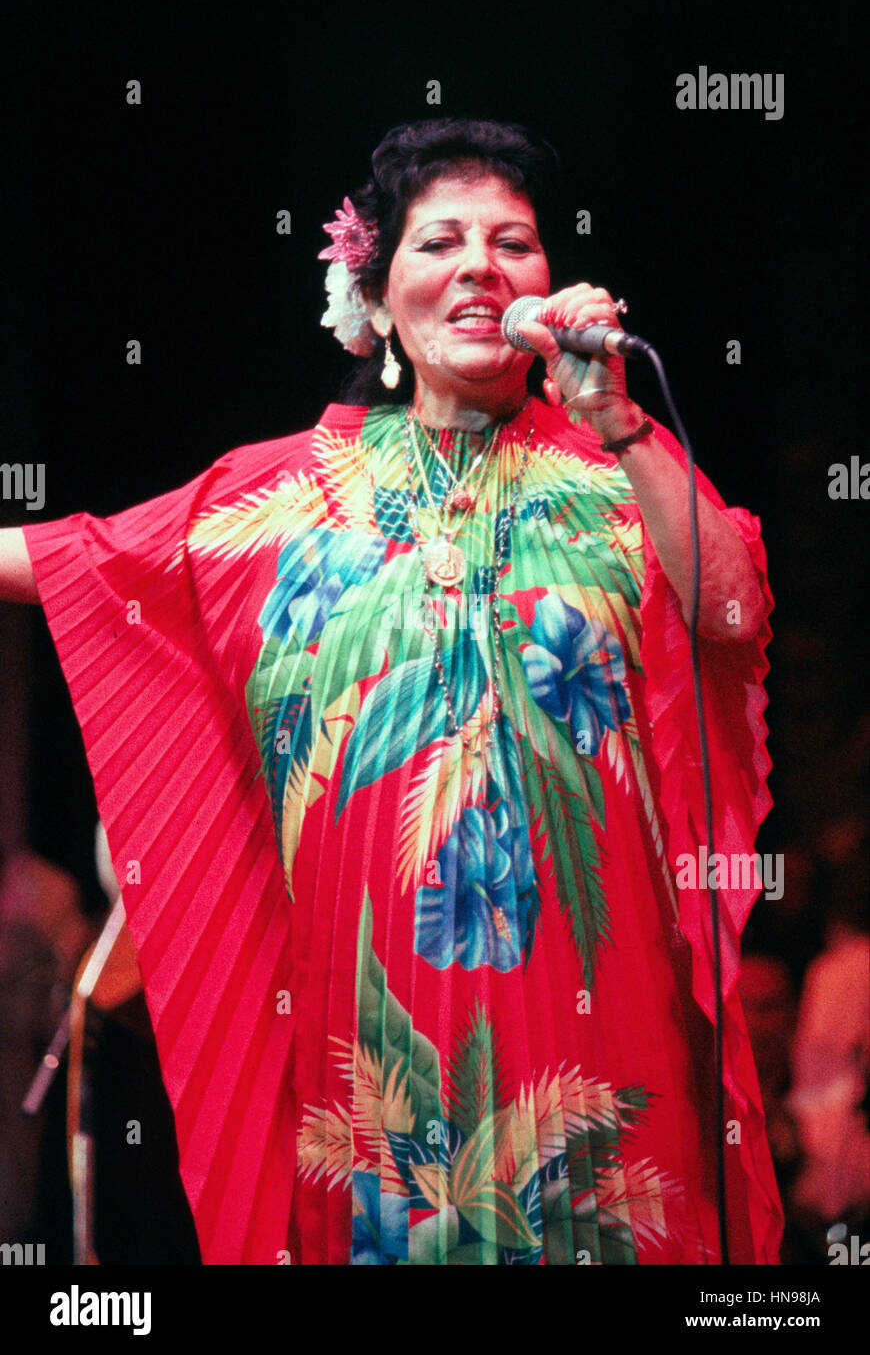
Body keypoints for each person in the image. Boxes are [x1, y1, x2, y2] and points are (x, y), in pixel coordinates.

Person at [0, 116, 782, 1265]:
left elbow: (732, 615)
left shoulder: (623, 478)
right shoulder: (279, 499)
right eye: (441, 241)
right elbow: (79, 559)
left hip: (603, 1036)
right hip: (370, 1055)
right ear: (375, 296)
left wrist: (620, 420)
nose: (481, 266)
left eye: (512, 242)